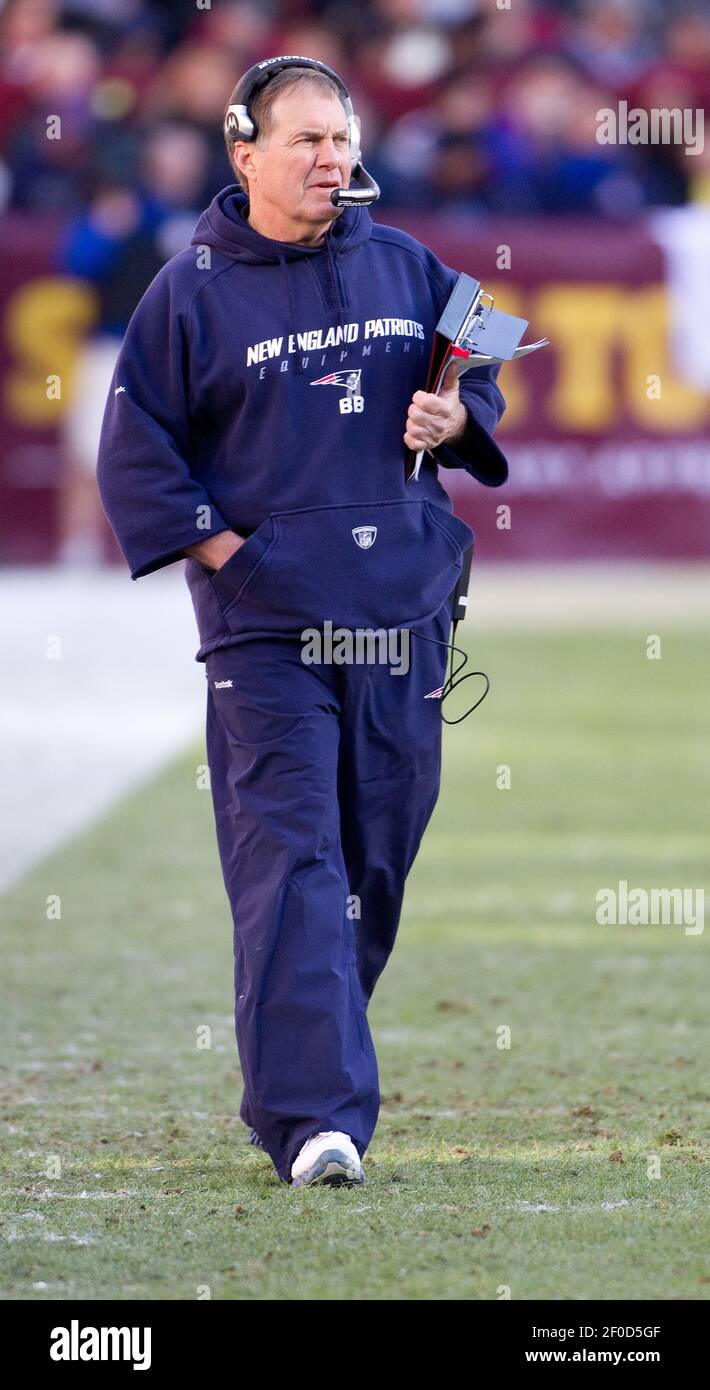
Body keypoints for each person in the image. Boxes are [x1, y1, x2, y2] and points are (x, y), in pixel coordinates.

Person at [96, 56, 508, 1190]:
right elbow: (135, 455)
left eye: (343, 138)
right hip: (266, 637)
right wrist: (235, 561)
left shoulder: (408, 260)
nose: (334, 160)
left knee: (371, 865)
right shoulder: (186, 292)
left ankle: (299, 1068)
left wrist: (455, 412)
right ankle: (315, 1119)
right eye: (307, 142)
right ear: (244, 154)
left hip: (402, 622)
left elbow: (475, 375)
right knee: (293, 861)